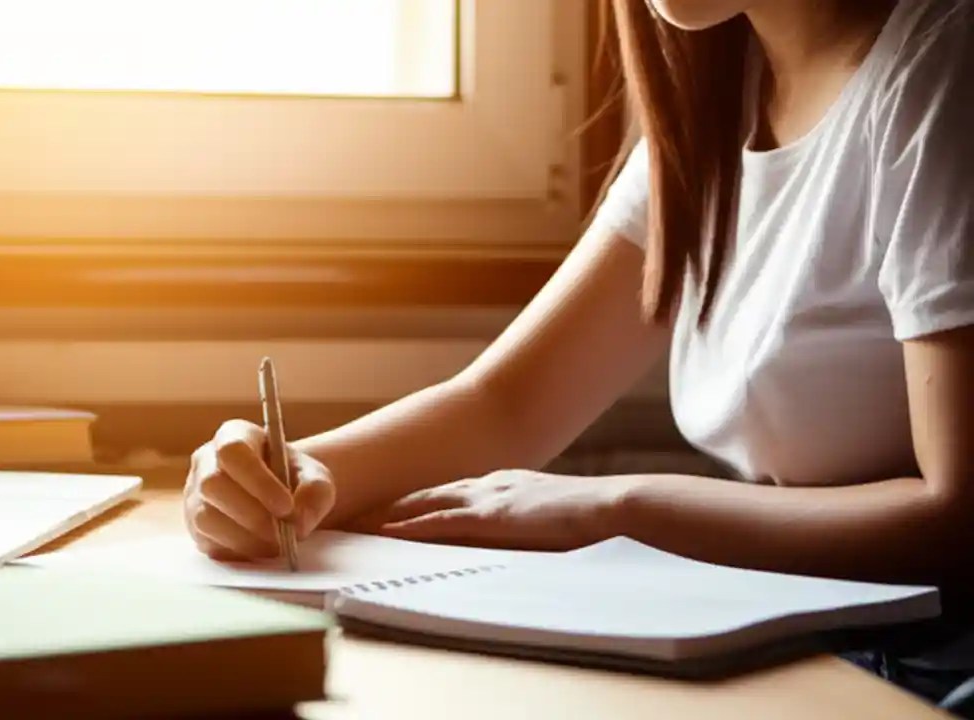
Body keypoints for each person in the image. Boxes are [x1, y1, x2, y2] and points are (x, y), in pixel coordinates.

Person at [183, 0, 974, 703]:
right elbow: (507, 405)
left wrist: (612, 510)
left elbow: (957, 518)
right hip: (815, 643)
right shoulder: (720, 94)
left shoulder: (940, 64)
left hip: (939, 669)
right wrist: (289, 476)